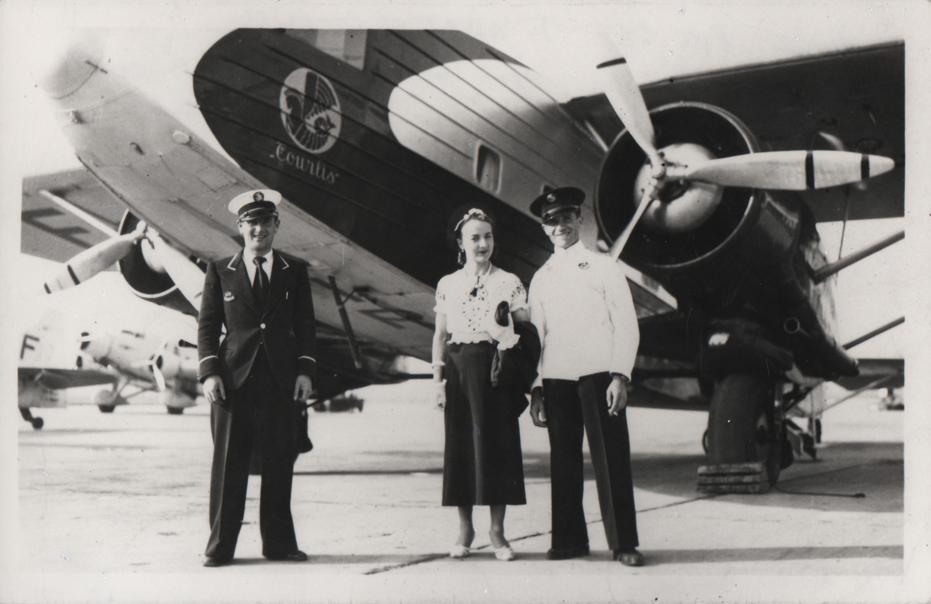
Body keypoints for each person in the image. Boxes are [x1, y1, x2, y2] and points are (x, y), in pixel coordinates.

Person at [197, 189, 316, 567]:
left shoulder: (293, 271)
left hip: (281, 381)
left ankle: (279, 545)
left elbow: (306, 326)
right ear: (240, 227)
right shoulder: (220, 270)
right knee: (228, 466)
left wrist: (305, 371)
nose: (259, 230)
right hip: (234, 382)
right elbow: (207, 326)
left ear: (276, 226)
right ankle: (220, 548)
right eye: (252, 223)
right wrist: (210, 373)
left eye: (266, 222)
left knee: (280, 462)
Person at [527, 187, 645, 567]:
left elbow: (626, 323)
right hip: (557, 379)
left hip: (599, 376)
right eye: (551, 221)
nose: (558, 226)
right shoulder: (540, 278)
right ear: (544, 229)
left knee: (612, 462)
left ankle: (623, 543)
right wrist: (536, 389)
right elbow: (536, 338)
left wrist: (619, 375)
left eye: (565, 217)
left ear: (579, 218)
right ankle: (569, 541)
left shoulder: (604, 266)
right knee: (563, 463)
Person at [431, 208, 533, 562]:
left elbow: (527, 333)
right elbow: (440, 335)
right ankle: (465, 530)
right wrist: (438, 380)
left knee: (498, 449)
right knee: (461, 449)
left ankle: (497, 532)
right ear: (461, 242)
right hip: (459, 371)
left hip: (495, 371)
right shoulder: (448, 284)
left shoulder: (509, 281)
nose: (482, 243)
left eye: (487, 236)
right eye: (474, 237)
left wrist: (510, 345)